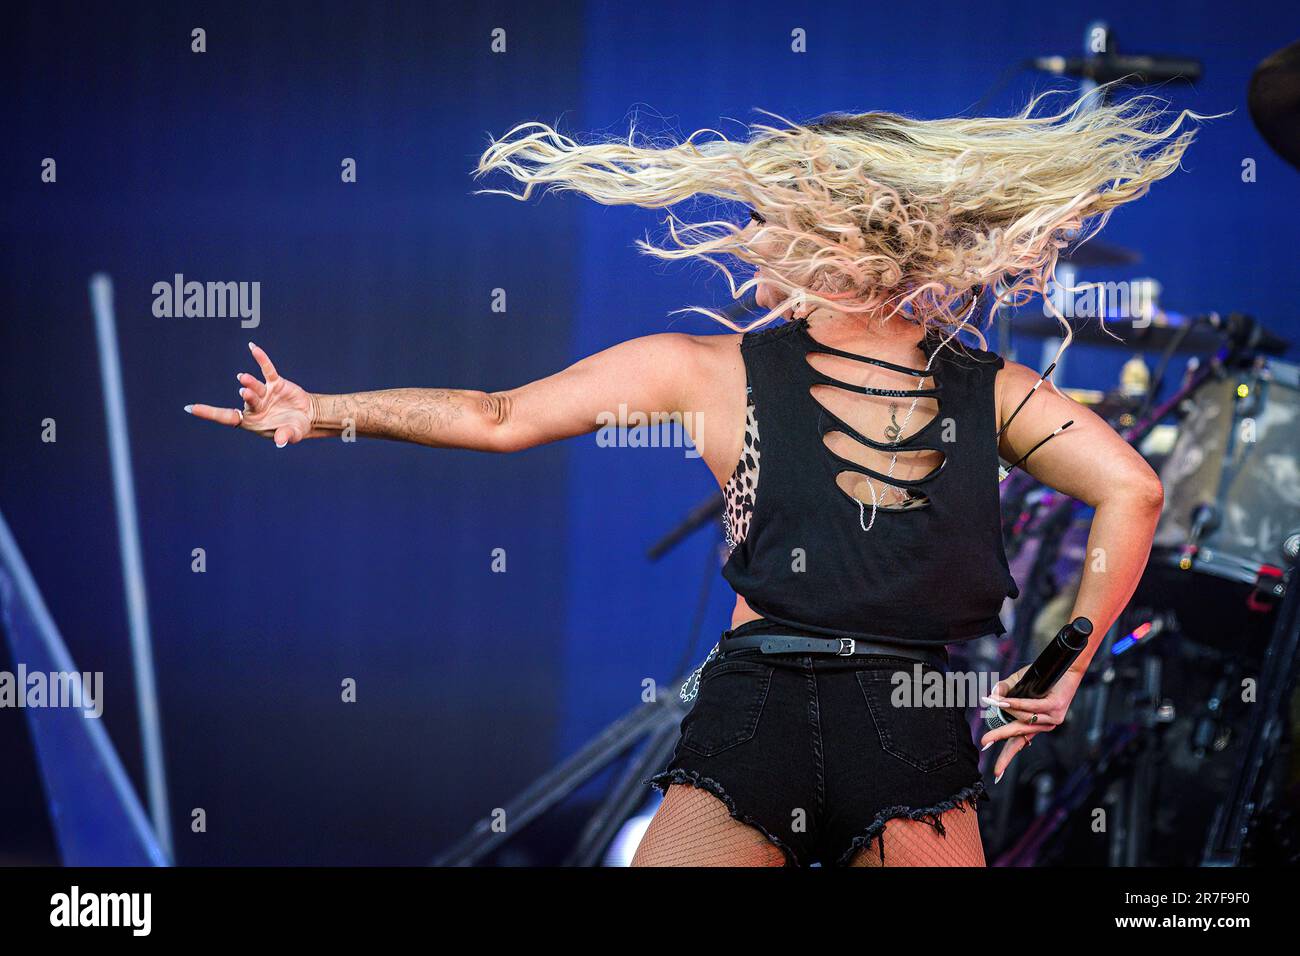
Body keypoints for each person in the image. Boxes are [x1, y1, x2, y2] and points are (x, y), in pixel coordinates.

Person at [188, 88, 1200, 866]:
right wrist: (1064, 660)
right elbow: (1134, 489)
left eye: (767, 216)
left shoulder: (705, 368)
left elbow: (498, 417)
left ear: (833, 238)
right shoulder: (997, 389)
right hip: (908, 714)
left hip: (755, 711)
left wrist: (323, 411)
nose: (750, 235)